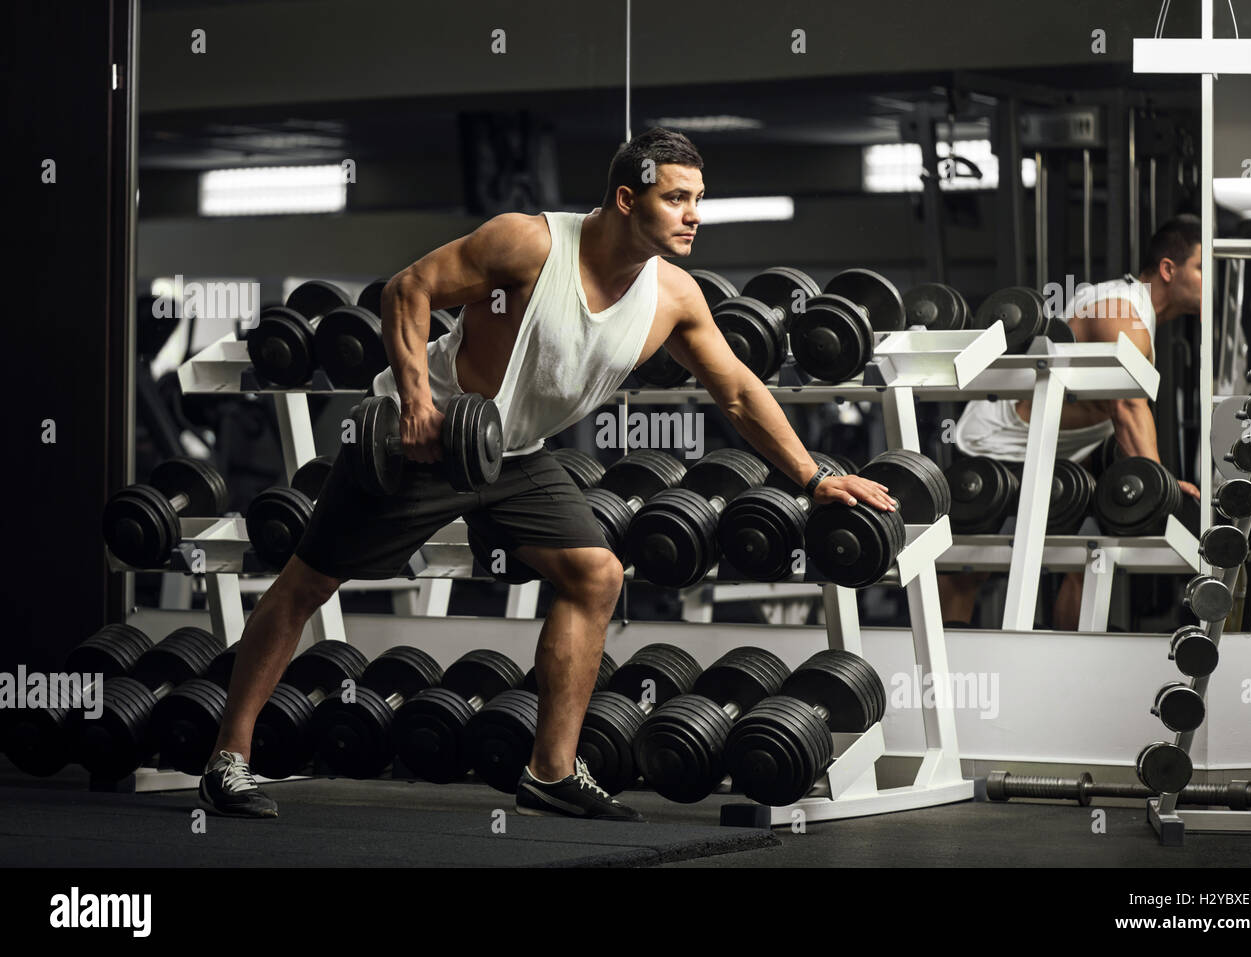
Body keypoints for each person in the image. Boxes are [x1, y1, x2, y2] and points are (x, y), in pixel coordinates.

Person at [198, 128, 896, 821]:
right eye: (677, 197)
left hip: (514, 453)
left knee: (597, 574)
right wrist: (414, 403)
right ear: (627, 199)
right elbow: (408, 291)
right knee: (306, 584)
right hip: (428, 438)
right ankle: (228, 758)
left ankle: (551, 769)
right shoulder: (529, 245)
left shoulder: (674, 298)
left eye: (699, 199)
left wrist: (813, 479)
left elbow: (740, 392)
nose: (694, 214)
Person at [939, 215, 1204, 631]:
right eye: (1203, 269)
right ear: (1169, 269)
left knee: (1086, 556)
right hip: (996, 443)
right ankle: (942, 668)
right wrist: (1162, 485)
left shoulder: (1139, 316)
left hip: (1055, 454)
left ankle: (1068, 653)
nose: (1211, 282)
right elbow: (1127, 407)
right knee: (969, 568)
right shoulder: (1123, 314)